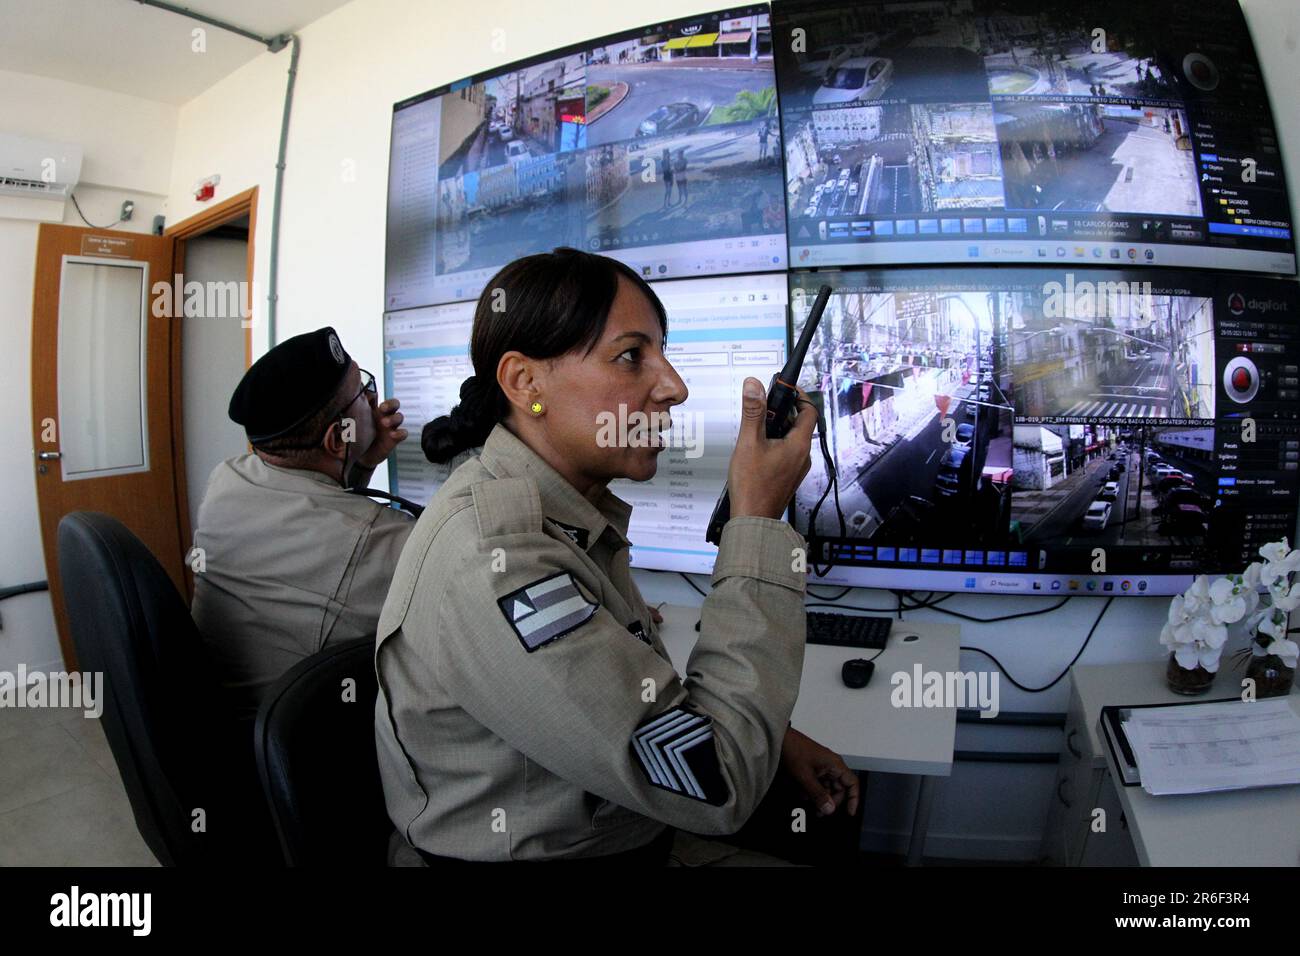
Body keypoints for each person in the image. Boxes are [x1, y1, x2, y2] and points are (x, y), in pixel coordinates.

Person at [377, 248, 859, 865]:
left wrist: (776, 738)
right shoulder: (496, 560)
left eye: (661, 352)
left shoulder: (562, 513)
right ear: (526, 383)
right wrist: (756, 520)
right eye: (631, 356)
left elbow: (628, 703)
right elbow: (718, 784)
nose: (674, 387)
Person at [191, 327, 411, 719]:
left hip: (230, 721)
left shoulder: (226, 478)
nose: (375, 400)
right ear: (334, 440)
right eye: (363, 392)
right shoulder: (381, 542)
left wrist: (362, 461)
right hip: (307, 749)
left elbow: (321, 509)